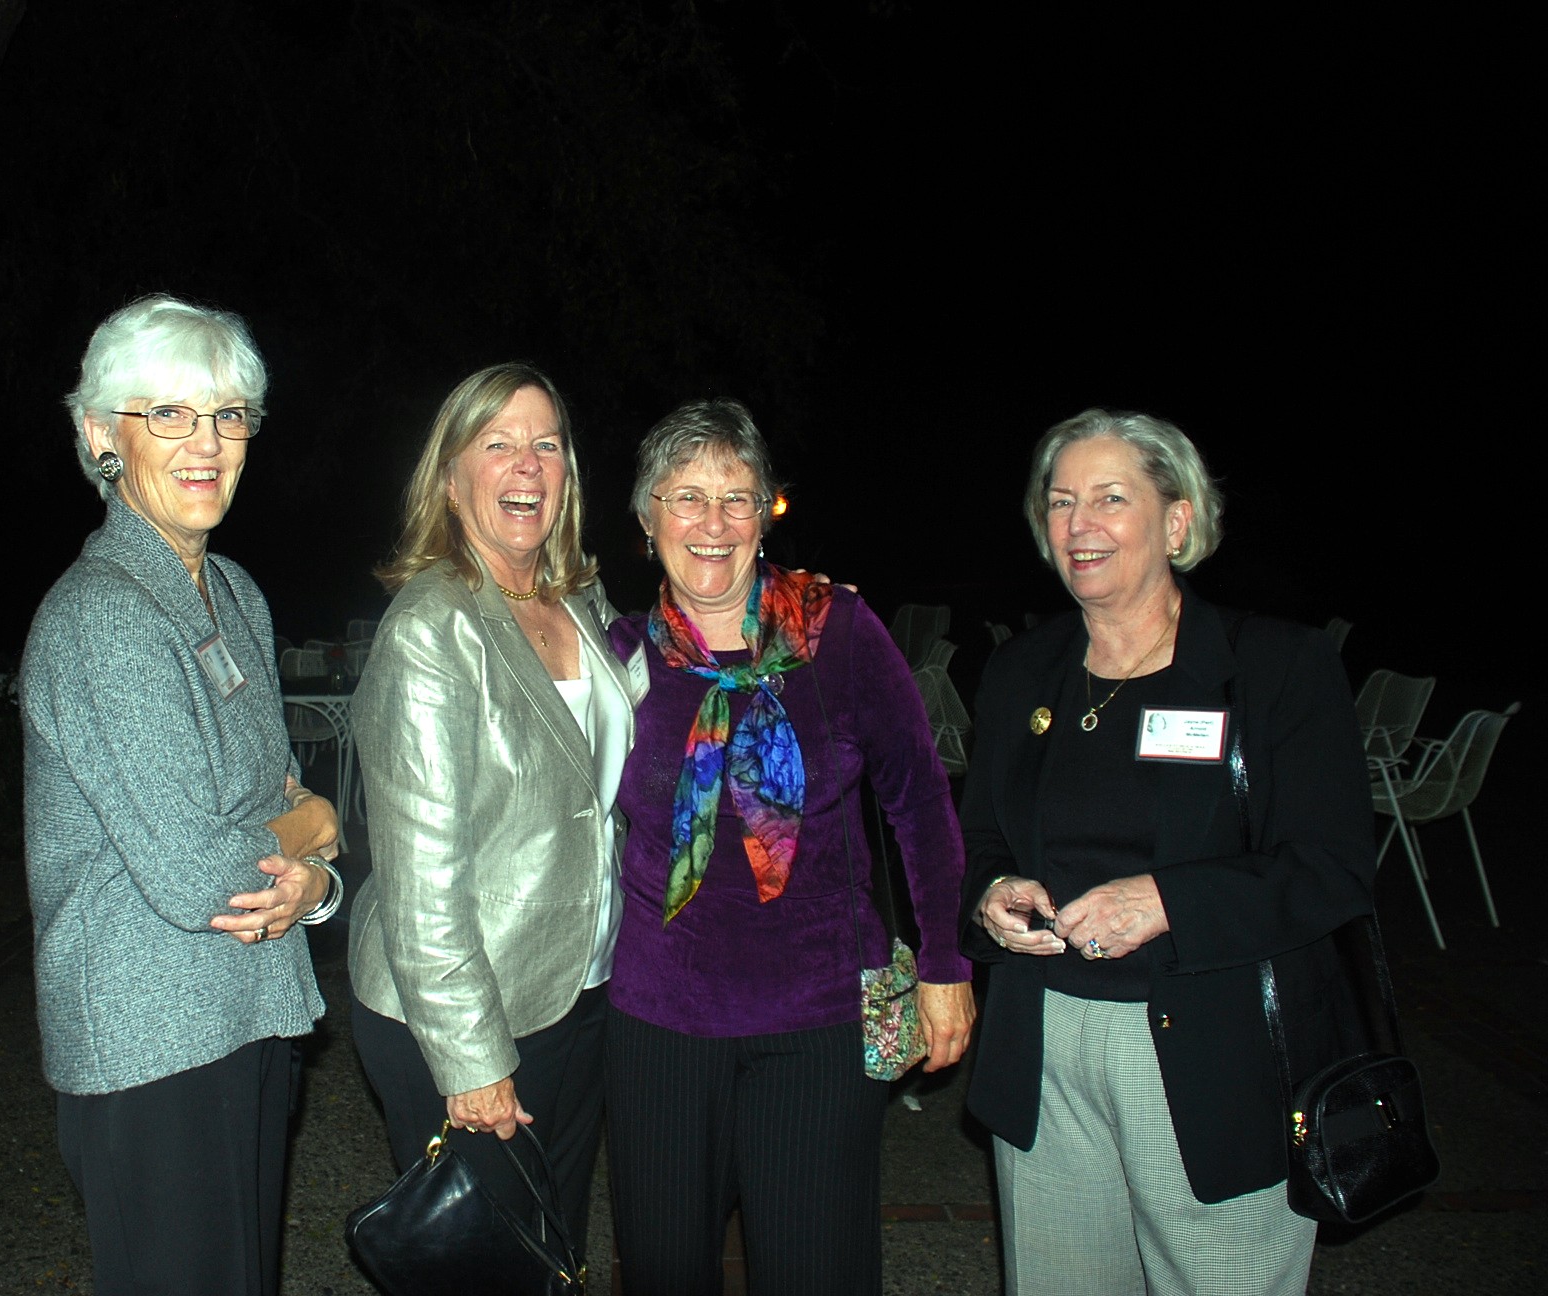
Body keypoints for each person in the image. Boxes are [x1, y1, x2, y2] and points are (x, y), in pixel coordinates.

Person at [960, 408, 1375, 1295]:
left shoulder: (1275, 669)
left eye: (1112, 498)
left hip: (1211, 1048)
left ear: (1177, 521)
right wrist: (992, 889)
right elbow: (979, 835)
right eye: (1062, 501)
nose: (1080, 524)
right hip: (1043, 1044)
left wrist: (1169, 900)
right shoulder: (1019, 673)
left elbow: (1332, 867)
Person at [604, 398, 975, 1296]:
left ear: (768, 510)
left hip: (814, 1018)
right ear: (646, 516)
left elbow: (920, 801)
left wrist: (943, 961)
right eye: (685, 497)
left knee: (814, 1268)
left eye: (737, 497)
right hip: (659, 1018)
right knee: (661, 1272)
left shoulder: (839, 631)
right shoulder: (616, 653)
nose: (712, 523)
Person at [21, 294, 344, 1296]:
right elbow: (201, 866)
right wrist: (315, 830)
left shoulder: (234, 591)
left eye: (226, 414)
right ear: (98, 434)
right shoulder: (101, 618)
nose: (205, 444)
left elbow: (270, 796)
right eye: (166, 414)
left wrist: (314, 870)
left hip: (245, 1010)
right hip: (154, 1047)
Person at [347, 362, 636, 1258]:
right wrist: (471, 1062)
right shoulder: (434, 627)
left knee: (554, 1254)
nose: (526, 466)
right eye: (497, 444)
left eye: (546, 445)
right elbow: (419, 875)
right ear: (450, 477)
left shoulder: (579, 603)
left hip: (576, 987)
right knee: (484, 1269)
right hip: (469, 1009)